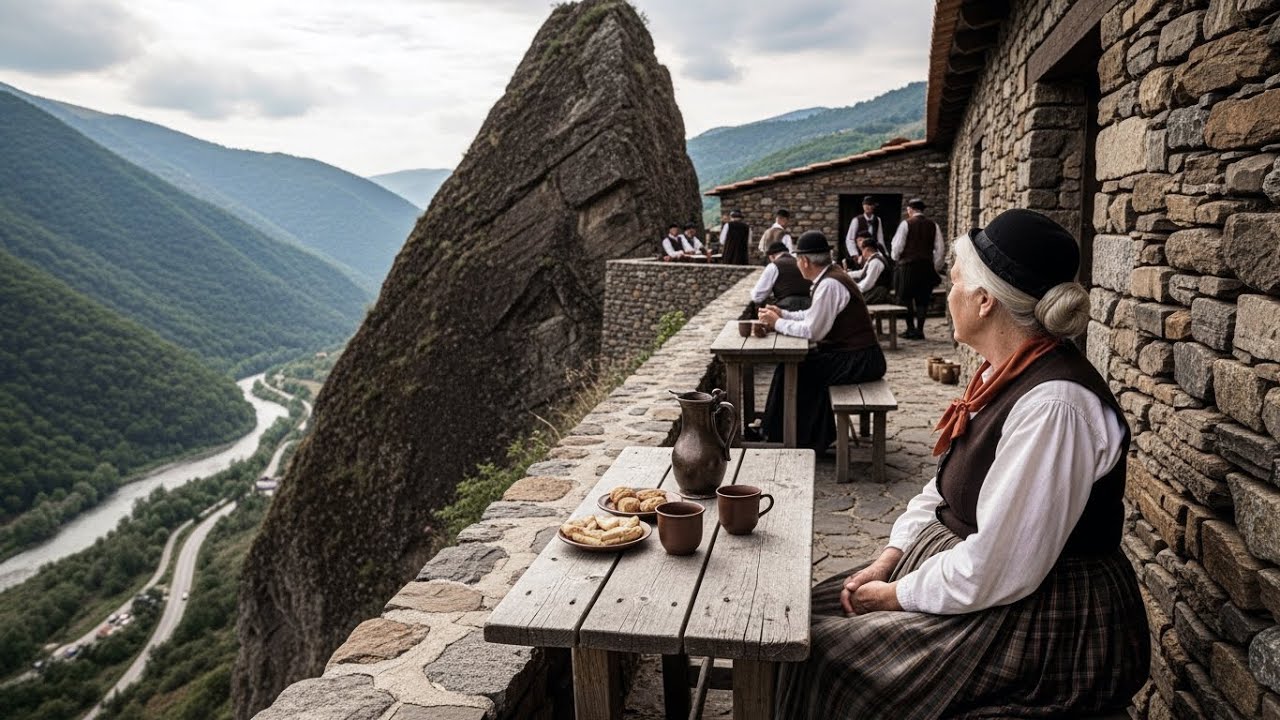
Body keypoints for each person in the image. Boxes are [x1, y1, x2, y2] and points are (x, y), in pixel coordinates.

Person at [776, 209, 1150, 719]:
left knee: (828, 655)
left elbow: (1002, 566)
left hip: (1038, 616)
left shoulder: (1054, 407)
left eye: (953, 283)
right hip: (981, 579)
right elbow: (946, 486)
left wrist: (895, 596)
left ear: (984, 300)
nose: (946, 296)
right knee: (798, 615)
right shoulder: (1007, 371)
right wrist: (892, 554)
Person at [755, 231, 885, 450]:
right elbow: (812, 315)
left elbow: (812, 331)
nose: (797, 264)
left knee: (797, 371)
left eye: (798, 259)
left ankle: (796, 436)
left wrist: (776, 323)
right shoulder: (830, 276)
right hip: (857, 355)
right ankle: (788, 432)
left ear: (805, 261)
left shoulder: (829, 284)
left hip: (860, 359)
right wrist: (783, 314)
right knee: (795, 368)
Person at [890, 198, 945, 339]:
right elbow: (940, 250)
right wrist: (935, 267)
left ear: (910, 210)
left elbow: (897, 247)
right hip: (926, 267)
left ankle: (910, 329)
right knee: (923, 299)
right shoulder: (933, 225)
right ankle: (920, 330)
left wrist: (896, 259)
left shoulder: (906, 224)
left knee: (907, 298)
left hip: (907, 266)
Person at [750, 241, 812, 311]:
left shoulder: (774, 266)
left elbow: (757, 296)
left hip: (787, 307)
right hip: (808, 306)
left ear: (772, 256)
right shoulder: (801, 263)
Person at [849, 237, 892, 304]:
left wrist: (854, 289)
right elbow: (862, 273)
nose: (862, 253)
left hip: (877, 292)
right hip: (873, 290)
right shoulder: (871, 259)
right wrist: (846, 274)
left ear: (867, 249)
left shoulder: (876, 262)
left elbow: (868, 283)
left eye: (862, 250)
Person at [843, 195, 884, 265]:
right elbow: (850, 239)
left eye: (870, 204)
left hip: (872, 254)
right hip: (859, 254)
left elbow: (880, 239)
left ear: (873, 206)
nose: (867, 206)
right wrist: (855, 254)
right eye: (865, 204)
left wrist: (883, 253)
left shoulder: (877, 220)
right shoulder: (856, 220)